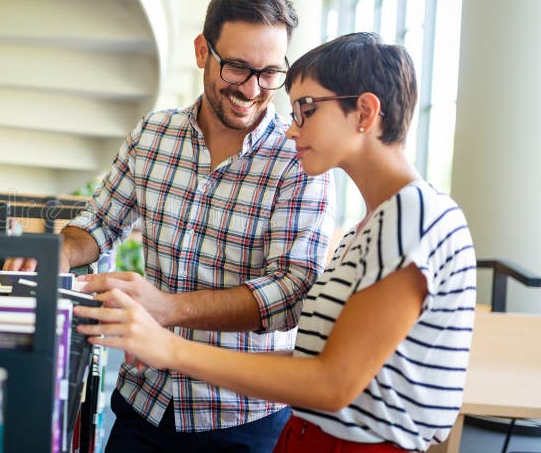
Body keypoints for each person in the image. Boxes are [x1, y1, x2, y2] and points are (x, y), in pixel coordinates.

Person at [75, 32, 477, 452]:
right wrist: (166, 351)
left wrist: (172, 348)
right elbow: (312, 364)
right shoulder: (373, 226)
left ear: (364, 111)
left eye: (306, 110)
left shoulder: (412, 217)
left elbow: (332, 384)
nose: (291, 130)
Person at [4, 0, 335, 452]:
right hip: (144, 404)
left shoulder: (298, 160)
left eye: (269, 73)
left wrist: (170, 307)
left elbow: (292, 290)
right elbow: (99, 223)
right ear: (202, 51)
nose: (252, 89)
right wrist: (60, 251)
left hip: (242, 419)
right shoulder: (153, 135)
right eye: (237, 67)